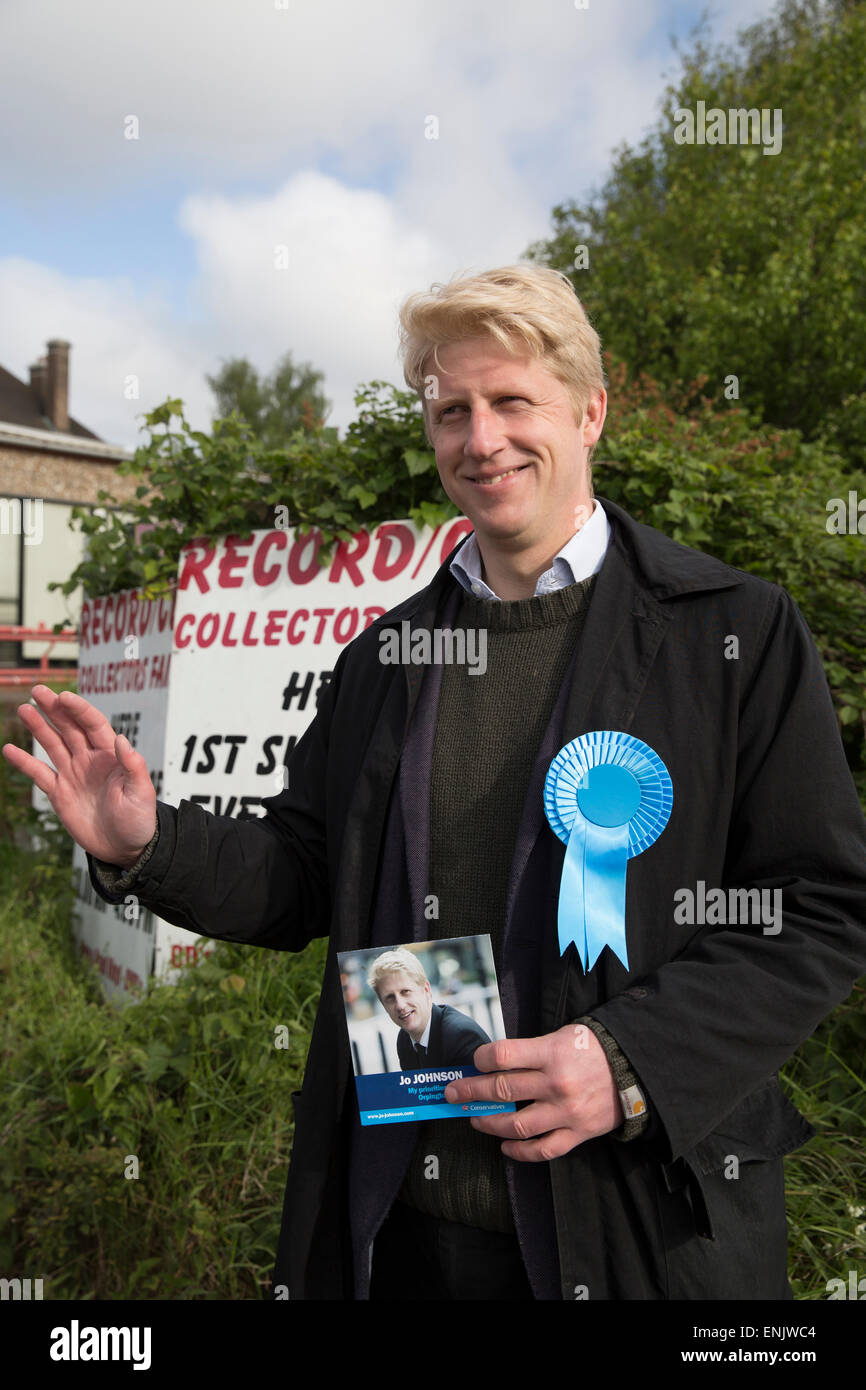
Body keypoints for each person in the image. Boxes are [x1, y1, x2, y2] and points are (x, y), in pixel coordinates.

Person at [4, 264, 866, 1302]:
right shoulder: (385, 657)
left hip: (639, 1229)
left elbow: (816, 906)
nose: (480, 437)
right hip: (405, 1239)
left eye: (511, 401)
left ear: (589, 412)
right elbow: (302, 875)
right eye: (451, 409)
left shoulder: (731, 630)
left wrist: (626, 1061)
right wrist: (145, 844)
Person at [366, 947, 491, 1070]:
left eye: (405, 991)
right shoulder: (404, 1039)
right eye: (390, 998)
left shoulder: (461, 1036)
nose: (400, 1005)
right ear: (383, 1005)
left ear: (426, 990)